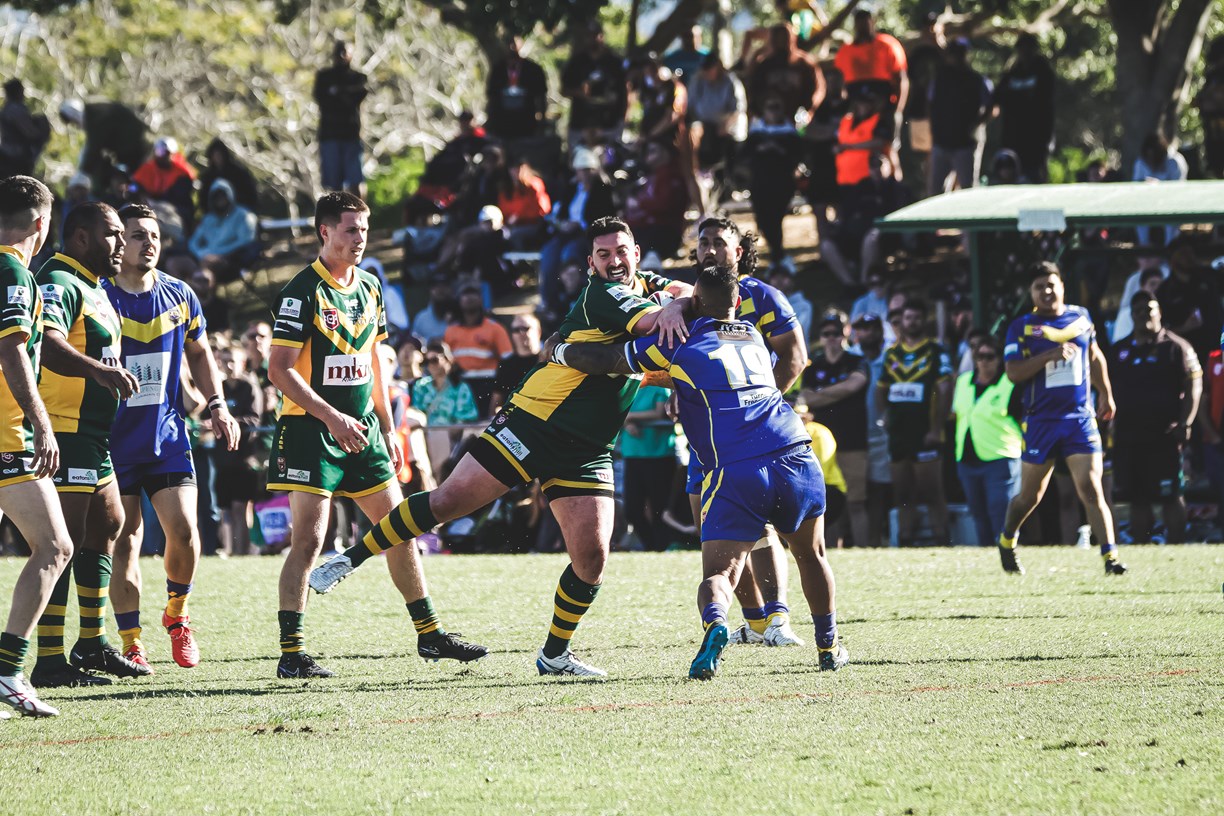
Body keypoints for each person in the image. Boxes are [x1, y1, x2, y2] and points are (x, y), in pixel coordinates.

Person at [309, 216, 693, 677]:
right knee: (448, 501)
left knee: (592, 558)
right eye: (603, 254)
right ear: (590, 262)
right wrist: (674, 310)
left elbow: (678, 295)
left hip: (587, 446)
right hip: (533, 421)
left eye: (621, 251)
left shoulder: (648, 281)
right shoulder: (603, 294)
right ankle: (349, 558)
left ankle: (554, 655)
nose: (614, 260)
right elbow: (656, 320)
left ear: (636, 252)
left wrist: (680, 300)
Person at [546, 264, 849, 678]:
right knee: (811, 555)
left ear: (693, 304)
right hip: (793, 451)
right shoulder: (755, 336)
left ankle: (718, 625)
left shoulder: (680, 342)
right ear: (737, 302)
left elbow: (611, 360)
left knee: (718, 574)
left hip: (736, 467)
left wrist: (558, 350)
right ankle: (828, 647)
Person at [266, 192, 486, 678]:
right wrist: (330, 417)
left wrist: (388, 427)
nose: (360, 238)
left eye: (364, 229)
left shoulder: (369, 286)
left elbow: (373, 366)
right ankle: (291, 653)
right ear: (325, 232)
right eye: (350, 229)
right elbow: (279, 371)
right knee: (309, 540)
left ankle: (430, 636)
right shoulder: (302, 291)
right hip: (310, 430)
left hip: (363, 428)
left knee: (399, 529)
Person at [104, 203, 239, 673]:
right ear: (118, 243)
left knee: (184, 530)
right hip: (112, 443)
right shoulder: (97, 295)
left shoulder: (181, 294)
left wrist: (217, 404)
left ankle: (177, 617)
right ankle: (131, 641)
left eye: (155, 235)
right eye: (139, 235)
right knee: (125, 541)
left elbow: (201, 353)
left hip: (166, 436)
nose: (150, 243)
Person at [26, 202, 148, 690]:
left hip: (93, 434)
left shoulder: (93, 286)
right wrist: (98, 371)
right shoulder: (59, 279)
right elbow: (48, 340)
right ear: (79, 237)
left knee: (110, 522)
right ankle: (50, 659)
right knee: (63, 541)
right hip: (65, 428)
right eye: (112, 235)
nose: (121, 244)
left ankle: (91, 642)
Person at [687, 217, 808, 646]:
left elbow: (795, 358)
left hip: (755, 433)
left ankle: (779, 618)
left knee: (760, 522)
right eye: (703, 241)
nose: (709, 249)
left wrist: (752, 406)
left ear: (739, 252)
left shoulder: (762, 296)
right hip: (706, 435)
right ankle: (756, 622)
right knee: (708, 519)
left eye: (720, 242)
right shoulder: (687, 298)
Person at [0, 176, 76, 717]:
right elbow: (13, 351)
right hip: (7, 439)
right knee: (55, 547)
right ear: (42, 225)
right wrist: (42, 423)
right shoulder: (14, 272)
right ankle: (7, 672)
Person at [999, 262, 1126, 575]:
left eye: (1051, 284)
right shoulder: (1022, 327)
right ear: (1031, 293)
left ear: (1062, 285)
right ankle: (1007, 540)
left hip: (1079, 417)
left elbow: (1094, 356)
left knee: (1091, 486)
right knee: (1030, 497)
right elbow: (1013, 373)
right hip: (1041, 421)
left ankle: (1110, 558)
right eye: (1039, 286)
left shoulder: (1080, 318)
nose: (1047, 291)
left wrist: (1106, 393)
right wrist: (1048, 356)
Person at [1109, 292, 1201, 544]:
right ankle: (1142, 547)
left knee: (1170, 495)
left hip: (1165, 435)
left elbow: (1194, 384)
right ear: (1131, 315)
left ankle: (1177, 544)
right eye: (1137, 310)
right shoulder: (1119, 351)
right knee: (1137, 498)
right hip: (1129, 437)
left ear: (1159, 311)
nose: (1143, 315)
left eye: (1149, 309)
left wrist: (1186, 423)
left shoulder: (1176, 347)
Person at [875, 299, 953, 547]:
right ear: (902, 321)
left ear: (924, 320)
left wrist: (936, 428)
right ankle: (905, 540)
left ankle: (942, 539)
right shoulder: (892, 354)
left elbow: (944, 388)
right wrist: (884, 415)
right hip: (898, 434)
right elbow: (881, 388)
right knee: (903, 493)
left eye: (917, 317)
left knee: (932, 492)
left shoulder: (935, 351)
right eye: (908, 318)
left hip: (926, 432)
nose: (912, 322)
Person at [802, 312, 870, 549]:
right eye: (826, 333)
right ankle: (831, 550)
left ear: (846, 333)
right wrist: (837, 392)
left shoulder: (856, 361)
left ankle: (862, 550)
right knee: (826, 501)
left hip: (852, 441)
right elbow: (805, 397)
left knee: (856, 502)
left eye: (836, 333)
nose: (831, 338)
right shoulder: (813, 366)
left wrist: (821, 395)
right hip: (820, 446)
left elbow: (855, 385)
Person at [951, 336, 1023, 547]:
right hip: (967, 458)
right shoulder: (964, 381)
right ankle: (986, 555)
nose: (984, 361)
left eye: (989, 357)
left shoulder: (1009, 383)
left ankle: (1007, 553)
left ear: (999, 359)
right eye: (979, 356)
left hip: (1000, 458)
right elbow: (958, 414)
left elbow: (1022, 419)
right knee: (978, 514)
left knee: (1000, 512)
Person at [538, 148, 616, 306]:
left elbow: (606, 217)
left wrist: (580, 224)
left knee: (570, 253)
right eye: (582, 171)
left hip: (589, 235)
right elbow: (562, 212)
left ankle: (575, 298)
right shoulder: (572, 189)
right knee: (549, 252)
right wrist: (563, 223)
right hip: (566, 233)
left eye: (588, 170)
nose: (585, 174)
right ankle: (550, 301)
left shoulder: (602, 190)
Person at [834, 8, 908, 156]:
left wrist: (897, 110)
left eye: (865, 22)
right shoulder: (845, 51)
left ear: (872, 22)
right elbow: (839, 82)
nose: (862, 26)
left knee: (887, 148)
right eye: (859, 23)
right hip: (856, 107)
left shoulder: (887, 45)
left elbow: (901, 79)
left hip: (884, 104)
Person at [743, 97, 803, 267]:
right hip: (759, 183)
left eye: (777, 108)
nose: (773, 111)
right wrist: (759, 150)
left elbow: (798, 157)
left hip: (782, 183)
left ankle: (778, 254)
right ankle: (777, 253)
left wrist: (779, 150)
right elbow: (744, 156)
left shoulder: (790, 133)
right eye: (770, 107)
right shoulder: (756, 132)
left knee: (775, 218)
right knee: (762, 218)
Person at [927, 39, 991, 196]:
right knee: (935, 190)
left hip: (965, 144)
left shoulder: (977, 80)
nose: (956, 58)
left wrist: (976, 124)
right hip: (941, 142)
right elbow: (929, 103)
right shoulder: (939, 79)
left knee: (968, 188)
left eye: (960, 54)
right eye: (953, 54)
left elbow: (990, 106)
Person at [620, 384, 677, 552]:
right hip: (632, 454)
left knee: (660, 508)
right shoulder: (629, 385)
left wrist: (628, 417)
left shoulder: (659, 385)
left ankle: (662, 546)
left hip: (659, 455)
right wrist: (626, 422)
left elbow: (660, 412)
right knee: (632, 509)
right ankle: (651, 545)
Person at [993, 33, 1055, 183]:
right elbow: (997, 98)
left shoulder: (1044, 72)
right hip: (1013, 138)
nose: (1024, 52)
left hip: (1036, 139)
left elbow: (1046, 104)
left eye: (1028, 48)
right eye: (1021, 48)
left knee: (1034, 177)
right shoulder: (1012, 73)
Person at [443, 284, 513, 416]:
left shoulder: (495, 328)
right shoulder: (451, 330)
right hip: (460, 383)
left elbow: (507, 359)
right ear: (459, 300)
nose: (469, 298)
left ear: (481, 299)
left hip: (488, 383)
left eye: (473, 294)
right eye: (465, 294)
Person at [58, 99, 150, 195]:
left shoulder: (96, 116)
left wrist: (83, 171)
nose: (76, 125)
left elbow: (94, 148)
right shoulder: (95, 111)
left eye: (74, 122)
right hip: (131, 149)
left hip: (136, 150)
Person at [853, 312, 890, 547]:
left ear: (880, 332)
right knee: (856, 492)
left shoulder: (890, 359)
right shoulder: (851, 359)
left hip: (881, 434)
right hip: (854, 435)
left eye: (872, 328)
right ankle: (856, 541)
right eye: (862, 329)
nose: (867, 333)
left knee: (879, 489)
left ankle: (875, 541)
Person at [560, 21, 628, 148]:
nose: (592, 39)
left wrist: (622, 120)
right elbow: (563, 89)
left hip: (608, 124)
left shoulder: (615, 62)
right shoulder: (576, 62)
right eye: (588, 36)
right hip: (580, 123)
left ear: (601, 36)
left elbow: (625, 92)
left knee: (608, 163)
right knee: (579, 162)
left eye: (595, 35)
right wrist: (580, 92)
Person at [314, 40, 369, 195]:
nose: (342, 55)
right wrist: (345, 93)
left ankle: (360, 215)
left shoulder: (358, 78)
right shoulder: (324, 77)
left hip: (351, 136)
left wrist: (338, 92)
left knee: (356, 180)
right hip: (330, 135)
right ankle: (337, 217)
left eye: (346, 51)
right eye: (339, 51)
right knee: (333, 184)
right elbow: (322, 99)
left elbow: (358, 96)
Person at [623, 139, 690, 262]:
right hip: (647, 227)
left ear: (666, 153)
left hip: (662, 232)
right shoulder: (654, 175)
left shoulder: (671, 175)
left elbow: (665, 206)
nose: (648, 154)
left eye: (653, 151)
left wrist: (639, 203)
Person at [745, 24, 824, 125]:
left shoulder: (805, 64)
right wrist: (761, 113)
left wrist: (809, 110)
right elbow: (753, 90)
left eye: (784, 38)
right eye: (778, 38)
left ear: (791, 39)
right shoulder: (764, 66)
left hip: (798, 120)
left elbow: (818, 89)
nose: (781, 42)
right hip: (770, 121)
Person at [188, 179, 260, 283]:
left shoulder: (243, 216)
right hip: (204, 258)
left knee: (206, 265)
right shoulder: (208, 219)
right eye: (216, 197)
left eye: (223, 196)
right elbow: (193, 242)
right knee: (176, 264)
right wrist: (201, 254)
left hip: (232, 260)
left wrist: (219, 254)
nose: (220, 200)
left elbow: (246, 241)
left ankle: (207, 297)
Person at [484, 36, 548, 143]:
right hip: (501, 126)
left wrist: (542, 122)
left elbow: (541, 97)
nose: (512, 46)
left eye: (515, 42)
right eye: (509, 42)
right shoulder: (498, 69)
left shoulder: (533, 69)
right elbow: (491, 96)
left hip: (526, 125)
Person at [1132, 132, 1188, 247]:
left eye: (1154, 154)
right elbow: (1135, 185)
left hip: (1172, 203)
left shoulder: (1174, 161)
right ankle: (1145, 249)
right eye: (1148, 155)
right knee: (1140, 218)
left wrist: (1160, 186)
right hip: (1147, 203)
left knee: (1171, 221)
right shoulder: (1141, 162)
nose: (1151, 158)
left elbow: (1179, 188)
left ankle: (1170, 251)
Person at [131, 137, 197, 232]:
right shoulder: (148, 168)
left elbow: (180, 197)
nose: (163, 156)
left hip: (172, 209)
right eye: (160, 152)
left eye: (166, 153)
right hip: (149, 205)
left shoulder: (182, 173)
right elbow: (134, 186)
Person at [412, 341, 479, 427]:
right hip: (424, 435)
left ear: (448, 359)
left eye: (434, 360)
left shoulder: (460, 387)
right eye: (427, 361)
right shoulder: (421, 385)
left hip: (452, 437)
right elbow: (416, 412)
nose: (430, 365)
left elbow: (465, 418)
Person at [489, 313, 542, 415]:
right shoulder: (506, 365)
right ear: (512, 335)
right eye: (516, 330)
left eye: (526, 328)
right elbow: (496, 400)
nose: (521, 333)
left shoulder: (550, 360)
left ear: (538, 331)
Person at [0, 79, 49, 177]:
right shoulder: (14, 109)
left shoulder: (8, 108)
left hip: (11, 157)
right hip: (14, 158)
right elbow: (30, 132)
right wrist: (42, 128)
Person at [196, 138, 258, 215]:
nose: (217, 157)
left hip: (238, 213)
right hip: (215, 216)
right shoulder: (208, 177)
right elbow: (204, 200)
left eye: (219, 154)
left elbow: (250, 195)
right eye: (214, 154)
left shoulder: (238, 173)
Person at [411, 275, 453, 344]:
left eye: (444, 286)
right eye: (436, 287)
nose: (440, 290)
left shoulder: (460, 316)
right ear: (430, 290)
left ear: (450, 289)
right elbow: (414, 343)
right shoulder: (421, 318)